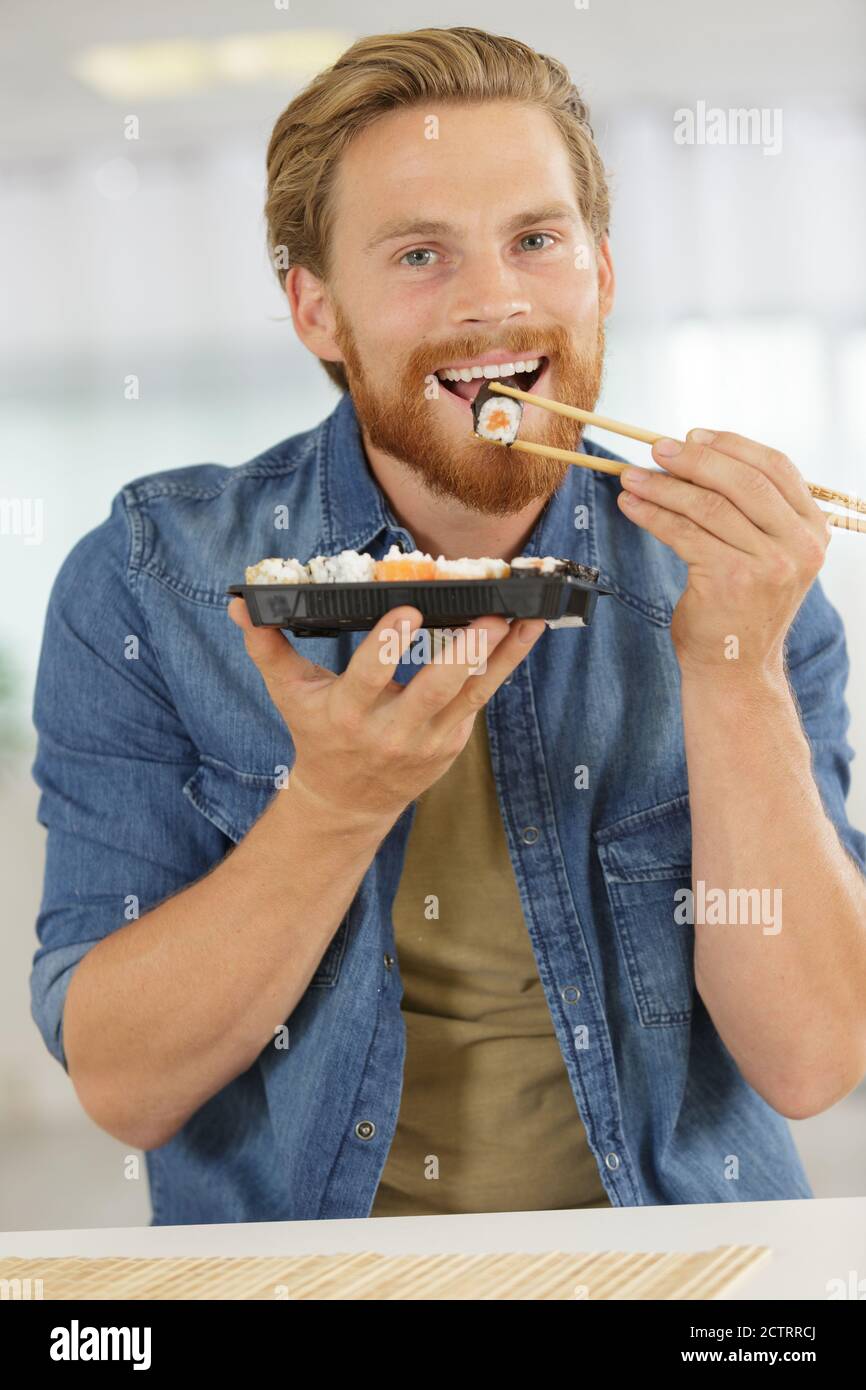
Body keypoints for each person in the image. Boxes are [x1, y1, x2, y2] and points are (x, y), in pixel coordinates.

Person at [30, 27, 866, 1225]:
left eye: (536, 239)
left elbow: (812, 1060)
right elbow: (122, 1083)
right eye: (420, 254)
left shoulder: (734, 573)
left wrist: (730, 670)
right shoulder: (148, 579)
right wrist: (336, 803)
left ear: (602, 274)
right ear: (317, 311)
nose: (493, 301)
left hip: (674, 1272)